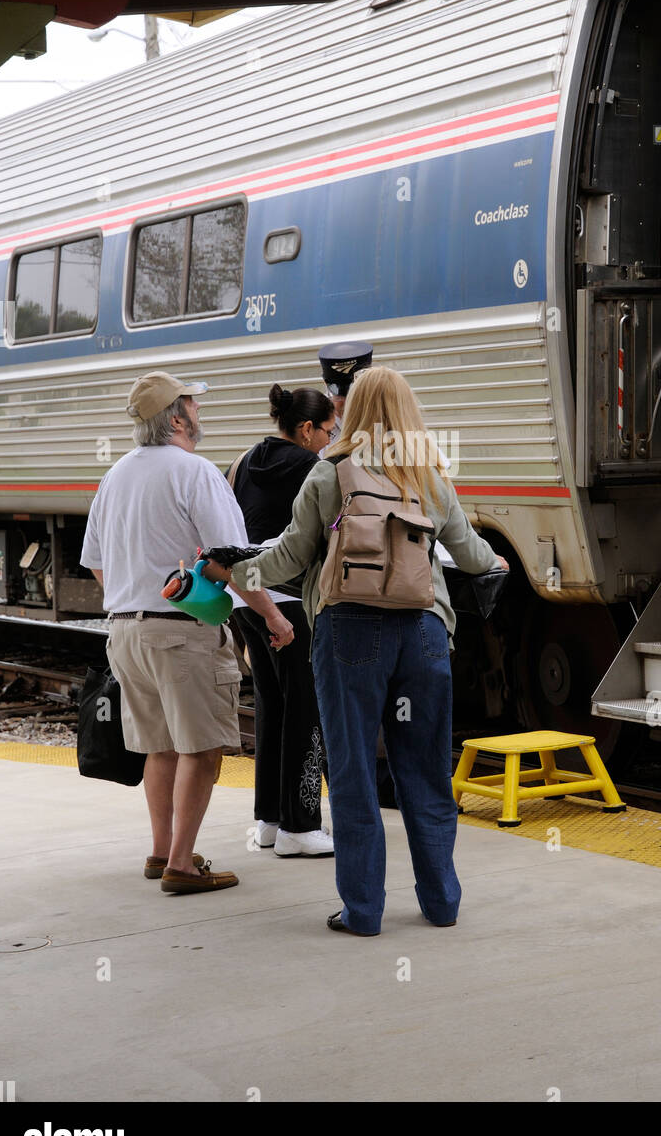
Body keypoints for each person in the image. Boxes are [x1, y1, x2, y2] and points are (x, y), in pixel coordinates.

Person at [200, 366, 509, 935]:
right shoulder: (430, 474)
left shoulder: (332, 471)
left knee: (351, 771)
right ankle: (441, 902)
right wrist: (496, 564)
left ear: (351, 408)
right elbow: (470, 554)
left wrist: (235, 567)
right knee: (425, 770)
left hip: (349, 634)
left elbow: (290, 558)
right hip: (423, 635)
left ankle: (363, 911)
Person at [80, 370, 294, 896]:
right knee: (200, 750)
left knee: (160, 748)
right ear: (176, 418)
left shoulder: (116, 476)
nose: (200, 413)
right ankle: (182, 865)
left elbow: (95, 563)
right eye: (194, 406)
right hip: (182, 633)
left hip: (125, 632)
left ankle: (161, 851)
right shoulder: (195, 473)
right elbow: (234, 562)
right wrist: (273, 616)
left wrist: (138, 594)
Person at [230, 383, 336, 857]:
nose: (331, 440)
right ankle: (301, 824)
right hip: (290, 601)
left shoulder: (243, 462)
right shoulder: (315, 469)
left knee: (272, 706)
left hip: (246, 599)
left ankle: (269, 820)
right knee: (306, 707)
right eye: (328, 431)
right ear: (307, 429)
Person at [317, 341, 373, 448]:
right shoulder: (318, 423)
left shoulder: (385, 412)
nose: (348, 403)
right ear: (325, 384)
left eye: (355, 396)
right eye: (340, 397)